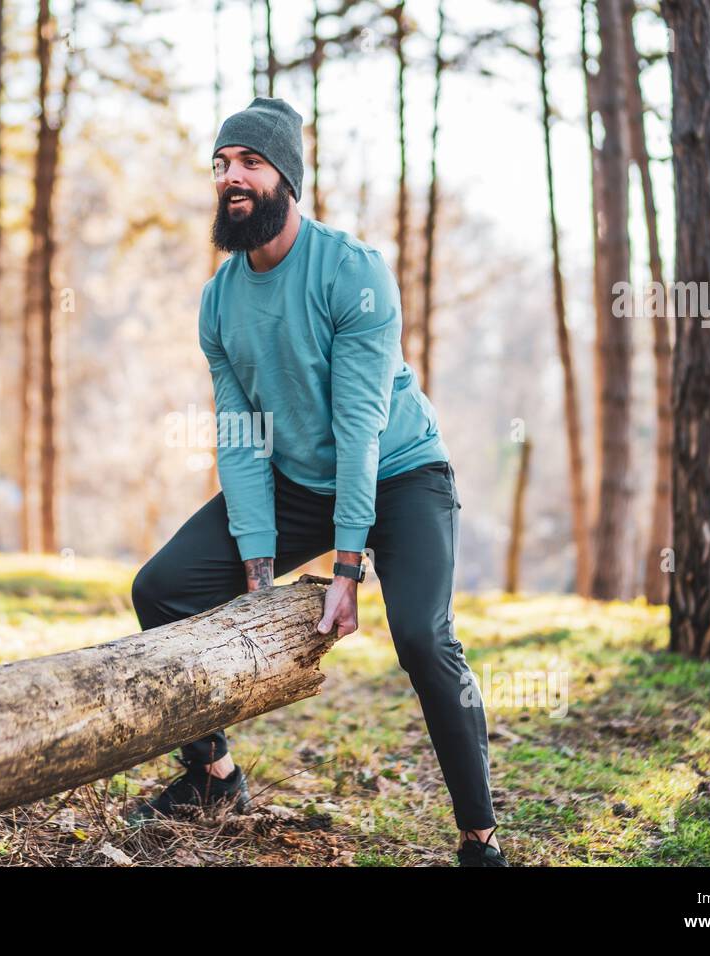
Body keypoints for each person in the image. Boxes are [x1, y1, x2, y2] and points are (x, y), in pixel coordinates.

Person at [126, 97, 508, 866]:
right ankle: (213, 774)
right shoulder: (219, 300)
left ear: (286, 179)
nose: (231, 177)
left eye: (250, 162)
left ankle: (481, 837)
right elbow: (240, 441)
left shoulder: (352, 271)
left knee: (424, 640)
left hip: (400, 473)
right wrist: (259, 577)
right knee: (159, 588)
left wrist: (346, 568)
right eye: (222, 164)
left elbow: (361, 429)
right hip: (302, 480)